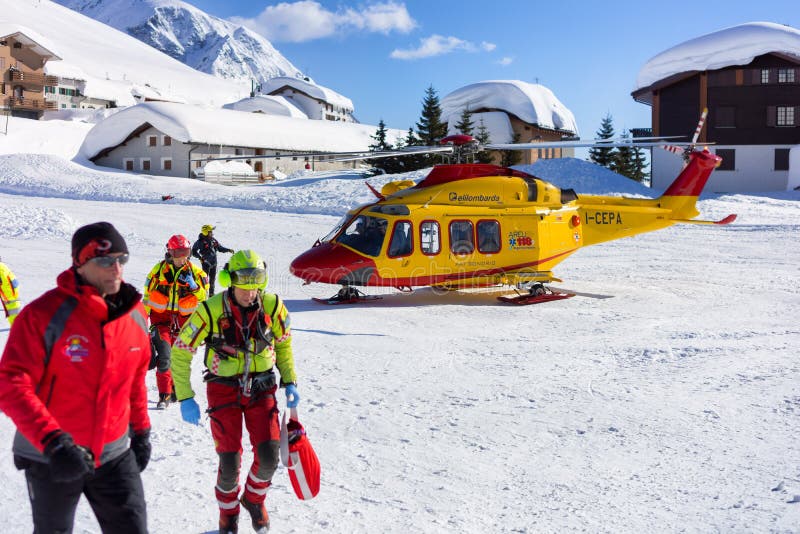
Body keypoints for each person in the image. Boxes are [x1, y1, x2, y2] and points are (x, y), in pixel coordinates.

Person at [0, 222, 151, 533]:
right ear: (80, 264)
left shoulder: (135, 316)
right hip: (50, 456)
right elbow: (11, 383)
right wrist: (54, 443)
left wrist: (141, 431)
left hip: (113, 453)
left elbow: (135, 381)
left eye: (122, 259)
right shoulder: (43, 315)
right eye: (105, 261)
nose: (117, 269)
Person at [171, 249, 299, 534]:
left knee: (269, 456)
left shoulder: (273, 306)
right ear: (230, 279)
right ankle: (228, 513)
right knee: (229, 462)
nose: (250, 291)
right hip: (223, 388)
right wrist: (185, 396)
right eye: (243, 281)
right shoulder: (210, 310)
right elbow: (180, 351)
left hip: (262, 387)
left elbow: (283, 344)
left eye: (256, 281)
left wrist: (290, 380)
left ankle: (254, 499)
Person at [144, 234, 208, 409]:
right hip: (161, 321)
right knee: (165, 356)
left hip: (184, 324)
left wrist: (194, 287)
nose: (182, 258)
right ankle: (164, 395)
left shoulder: (196, 273)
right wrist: (142, 321)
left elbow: (204, 297)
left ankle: (174, 388)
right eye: (178, 253)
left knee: (178, 359)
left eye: (185, 252)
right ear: (170, 253)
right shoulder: (158, 271)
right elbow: (147, 296)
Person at [191, 224, 233, 296]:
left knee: (212, 280)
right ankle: (203, 294)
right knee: (204, 280)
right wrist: (200, 257)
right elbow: (193, 251)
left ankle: (211, 294)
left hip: (214, 263)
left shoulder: (213, 240)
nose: (212, 233)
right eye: (210, 232)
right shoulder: (200, 242)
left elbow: (220, 248)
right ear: (205, 232)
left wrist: (228, 250)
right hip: (206, 263)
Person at [0, 258, 21, 326]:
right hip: (11, 292)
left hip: (9, 294)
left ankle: (17, 328)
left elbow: (4, 281)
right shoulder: (2, 266)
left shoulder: (1, 269)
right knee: (13, 312)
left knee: (13, 313)